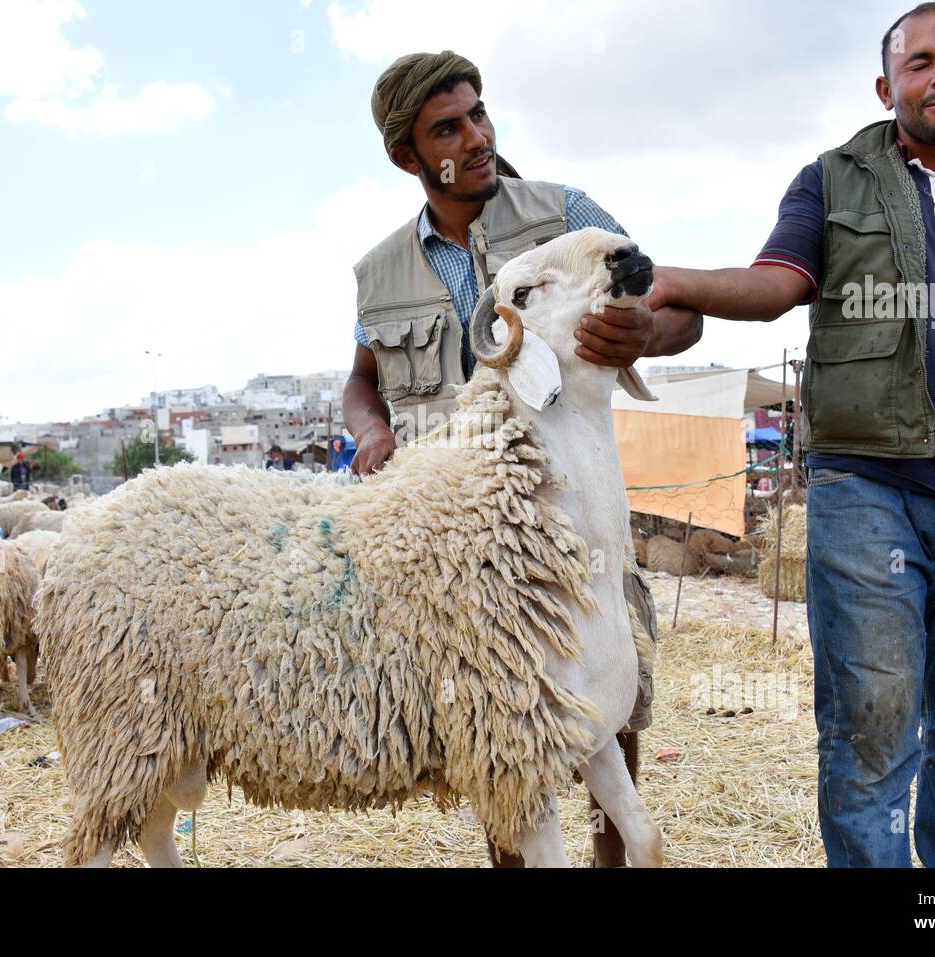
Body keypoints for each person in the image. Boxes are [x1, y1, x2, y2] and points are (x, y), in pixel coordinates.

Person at [640, 2, 935, 866]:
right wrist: (671, 279)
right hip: (868, 497)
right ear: (887, 86)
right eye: (917, 62)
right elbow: (778, 282)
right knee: (872, 722)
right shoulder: (833, 179)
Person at [342, 50, 703, 867]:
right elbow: (361, 383)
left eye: (477, 113)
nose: (475, 136)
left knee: (612, 709)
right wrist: (370, 432)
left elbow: (671, 307)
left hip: (577, 518)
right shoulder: (381, 272)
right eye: (447, 127)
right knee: (502, 734)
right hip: (467, 549)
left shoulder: (563, 212)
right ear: (407, 155)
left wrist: (645, 331)